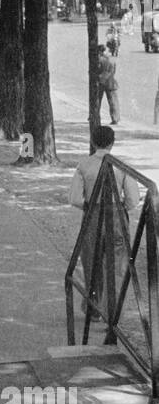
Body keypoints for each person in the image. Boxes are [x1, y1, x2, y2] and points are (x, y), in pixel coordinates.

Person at [68, 126, 140, 312]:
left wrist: (87, 206)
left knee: (92, 262)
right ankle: (113, 312)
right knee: (116, 263)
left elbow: (75, 197)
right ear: (112, 143)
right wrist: (123, 207)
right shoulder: (120, 165)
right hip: (116, 214)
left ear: (93, 142)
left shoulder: (84, 165)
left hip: (93, 214)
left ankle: (93, 306)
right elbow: (133, 198)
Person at [97, 44, 120, 124]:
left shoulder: (99, 60)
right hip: (111, 82)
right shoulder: (111, 59)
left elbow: (97, 70)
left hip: (101, 82)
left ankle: (95, 116)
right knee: (113, 101)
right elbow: (113, 71)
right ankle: (115, 118)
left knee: (97, 100)